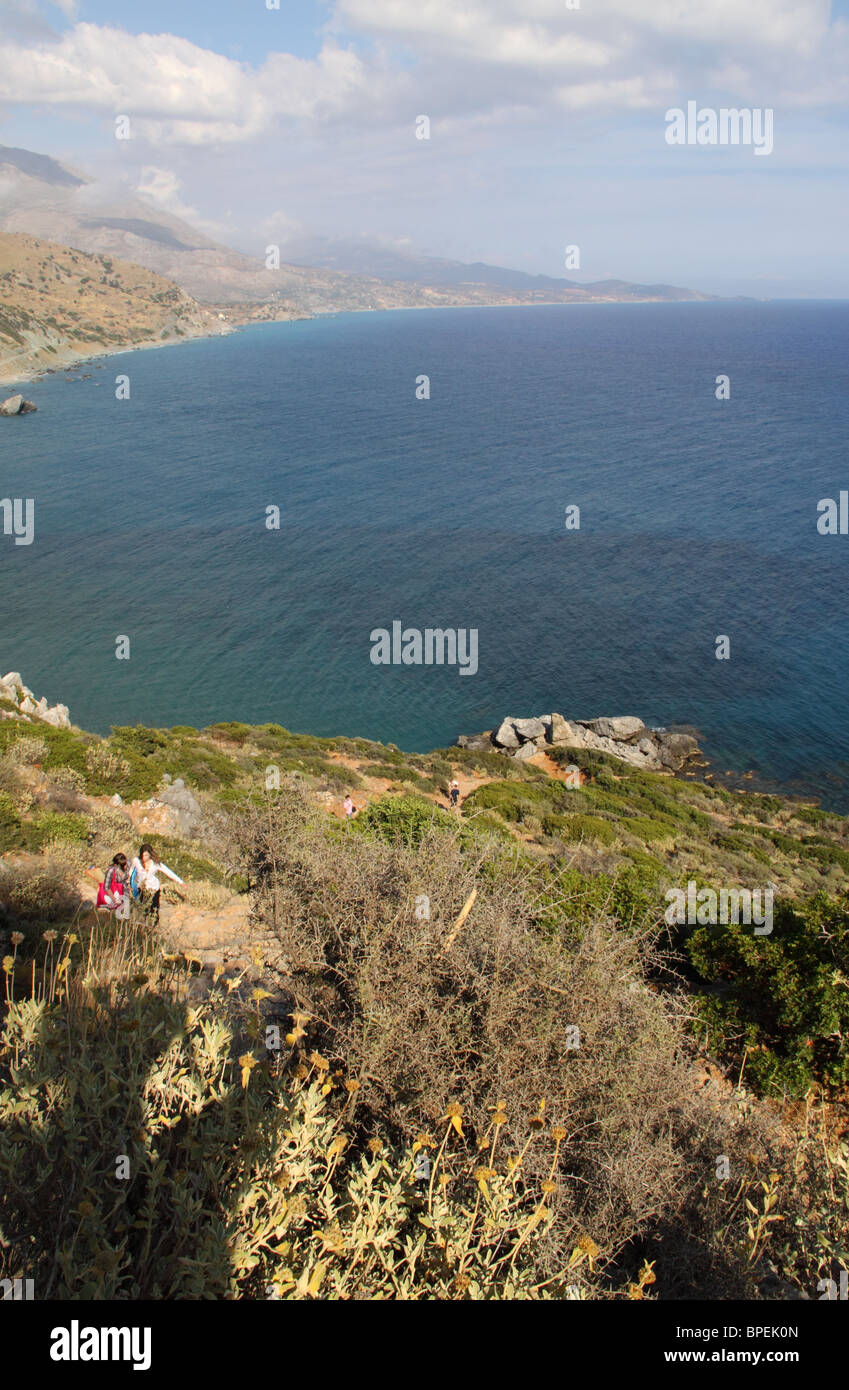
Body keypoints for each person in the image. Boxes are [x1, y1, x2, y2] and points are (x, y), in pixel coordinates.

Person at [129, 843, 185, 925]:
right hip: (142, 888)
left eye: (146, 855)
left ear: (150, 854)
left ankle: (154, 925)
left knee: (154, 908)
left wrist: (180, 882)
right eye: (143, 855)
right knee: (143, 907)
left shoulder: (155, 863)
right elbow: (131, 870)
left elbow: (168, 872)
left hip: (154, 888)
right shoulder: (136, 860)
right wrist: (129, 881)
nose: (144, 858)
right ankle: (144, 925)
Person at [97, 853, 129, 918]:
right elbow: (106, 887)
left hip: (124, 896)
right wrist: (115, 900)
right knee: (114, 916)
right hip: (113, 897)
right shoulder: (111, 871)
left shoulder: (126, 868)